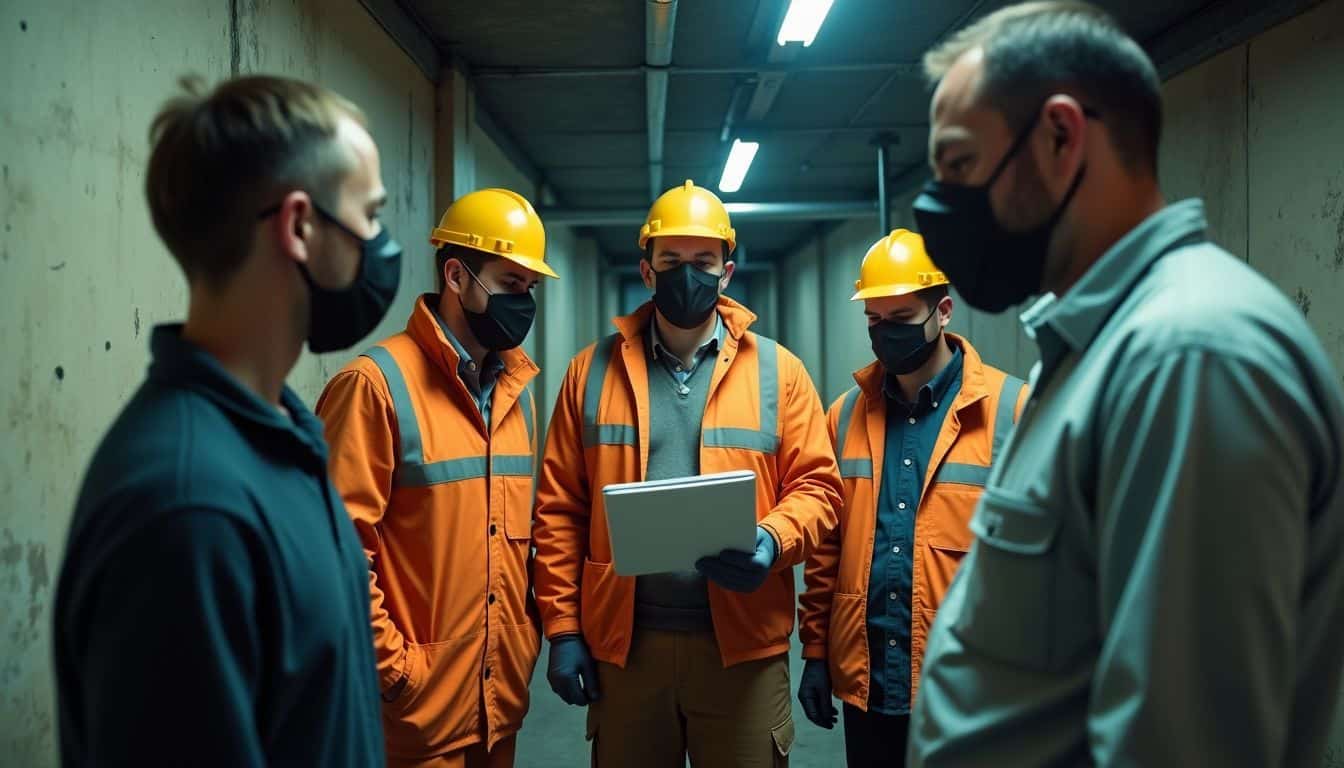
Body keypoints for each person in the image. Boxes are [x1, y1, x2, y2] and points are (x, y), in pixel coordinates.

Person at [906, 3, 1344, 766]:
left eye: (960, 164)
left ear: (1060, 137)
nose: (939, 204)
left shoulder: (1188, 359)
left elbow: (1182, 745)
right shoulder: (1098, 348)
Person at [53, 74, 399, 766]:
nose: (381, 242)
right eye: (370, 214)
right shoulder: (188, 508)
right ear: (300, 226)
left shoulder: (284, 437)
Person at [532, 179, 843, 767]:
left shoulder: (780, 372)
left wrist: (772, 540)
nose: (687, 275)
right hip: (626, 650)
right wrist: (564, 630)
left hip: (744, 652)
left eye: (703, 261)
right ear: (646, 269)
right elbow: (558, 510)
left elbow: (819, 489)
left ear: (727, 270)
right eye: (671, 260)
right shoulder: (590, 372)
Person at [316, 188, 558, 768]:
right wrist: (395, 671)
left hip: (497, 707)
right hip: (411, 720)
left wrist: (523, 645)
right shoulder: (375, 386)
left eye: (529, 288)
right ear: (456, 274)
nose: (522, 302)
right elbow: (335, 553)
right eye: (508, 283)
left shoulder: (513, 394)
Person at [796, 229, 1027, 767]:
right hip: (869, 682)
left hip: (968, 689)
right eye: (874, 321)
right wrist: (814, 653)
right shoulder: (845, 415)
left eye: (900, 319)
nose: (885, 334)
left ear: (942, 311)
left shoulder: (1012, 410)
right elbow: (827, 552)